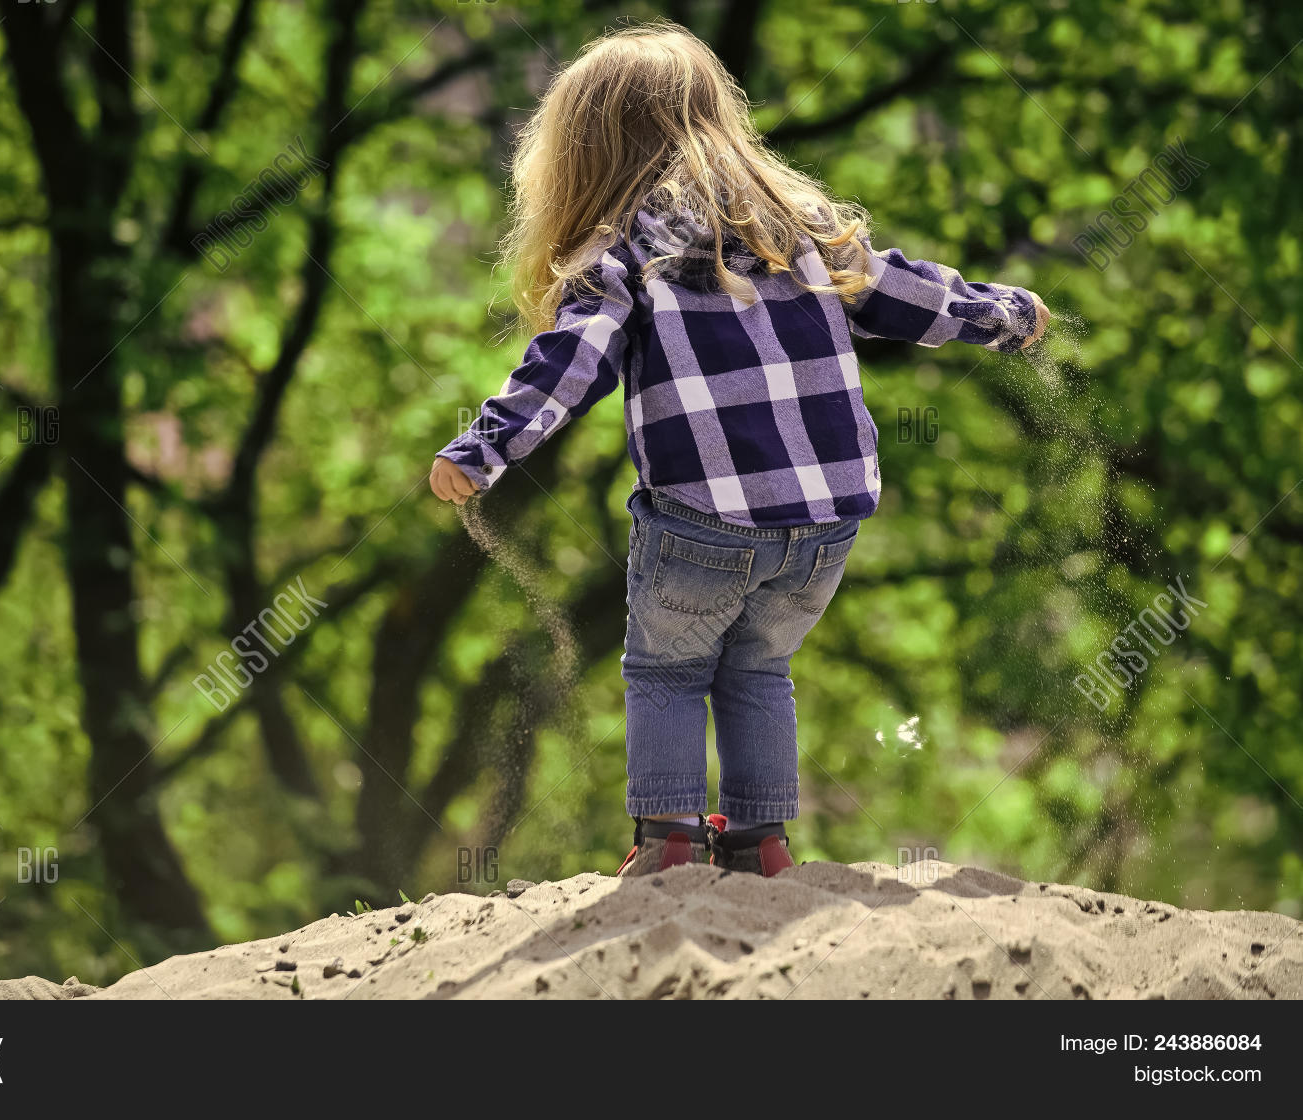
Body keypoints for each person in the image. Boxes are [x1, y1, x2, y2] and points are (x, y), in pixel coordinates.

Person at [429, 21, 1050, 877]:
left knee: (666, 669)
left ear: (582, 152)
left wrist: (483, 448)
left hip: (704, 520)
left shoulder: (622, 251)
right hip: (826, 520)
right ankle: (761, 843)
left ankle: (672, 839)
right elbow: (906, 293)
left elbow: (569, 362)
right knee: (760, 668)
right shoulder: (800, 227)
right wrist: (1004, 314)